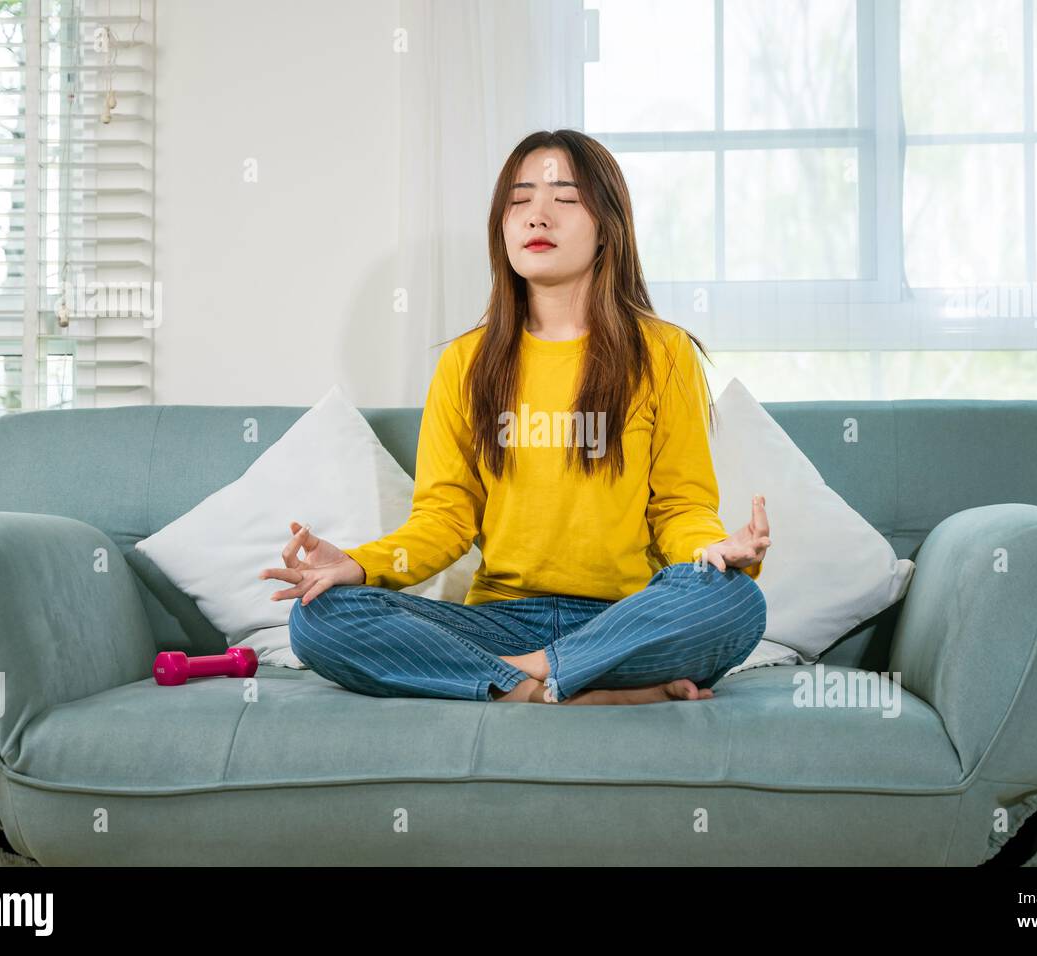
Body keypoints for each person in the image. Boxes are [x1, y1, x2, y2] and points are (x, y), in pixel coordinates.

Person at [259, 129, 770, 706]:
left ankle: (515, 676)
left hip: (625, 617)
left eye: (566, 200)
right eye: (520, 201)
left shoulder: (664, 352)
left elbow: (680, 508)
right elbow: (444, 520)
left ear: (608, 227)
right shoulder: (464, 363)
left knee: (734, 600)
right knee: (319, 616)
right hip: (499, 620)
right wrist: (357, 564)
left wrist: (715, 551)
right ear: (501, 229)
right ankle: (586, 688)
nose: (537, 217)